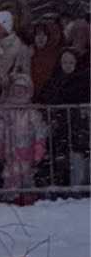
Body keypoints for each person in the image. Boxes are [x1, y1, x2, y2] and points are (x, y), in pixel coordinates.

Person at [36, 46, 90, 191]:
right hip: (58, 126)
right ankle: (61, 188)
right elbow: (43, 100)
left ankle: (79, 190)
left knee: (79, 157)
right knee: (59, 159)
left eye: (71, 62)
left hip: (80, 128)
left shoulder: (85, 81)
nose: (67, 65)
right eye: (65, 62)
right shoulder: (53, 81)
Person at [0, 73, 48, 204]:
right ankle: (11, 200)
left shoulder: (32, 111)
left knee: (27, 176)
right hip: (9, 151)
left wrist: (39, 150)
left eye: (23, 88)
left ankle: (28, 200)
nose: (19, 90)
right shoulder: (4, 110)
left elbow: (40, 131)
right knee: (10, 176)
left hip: (28, 152)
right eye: (16, 87)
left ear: (28, 90)